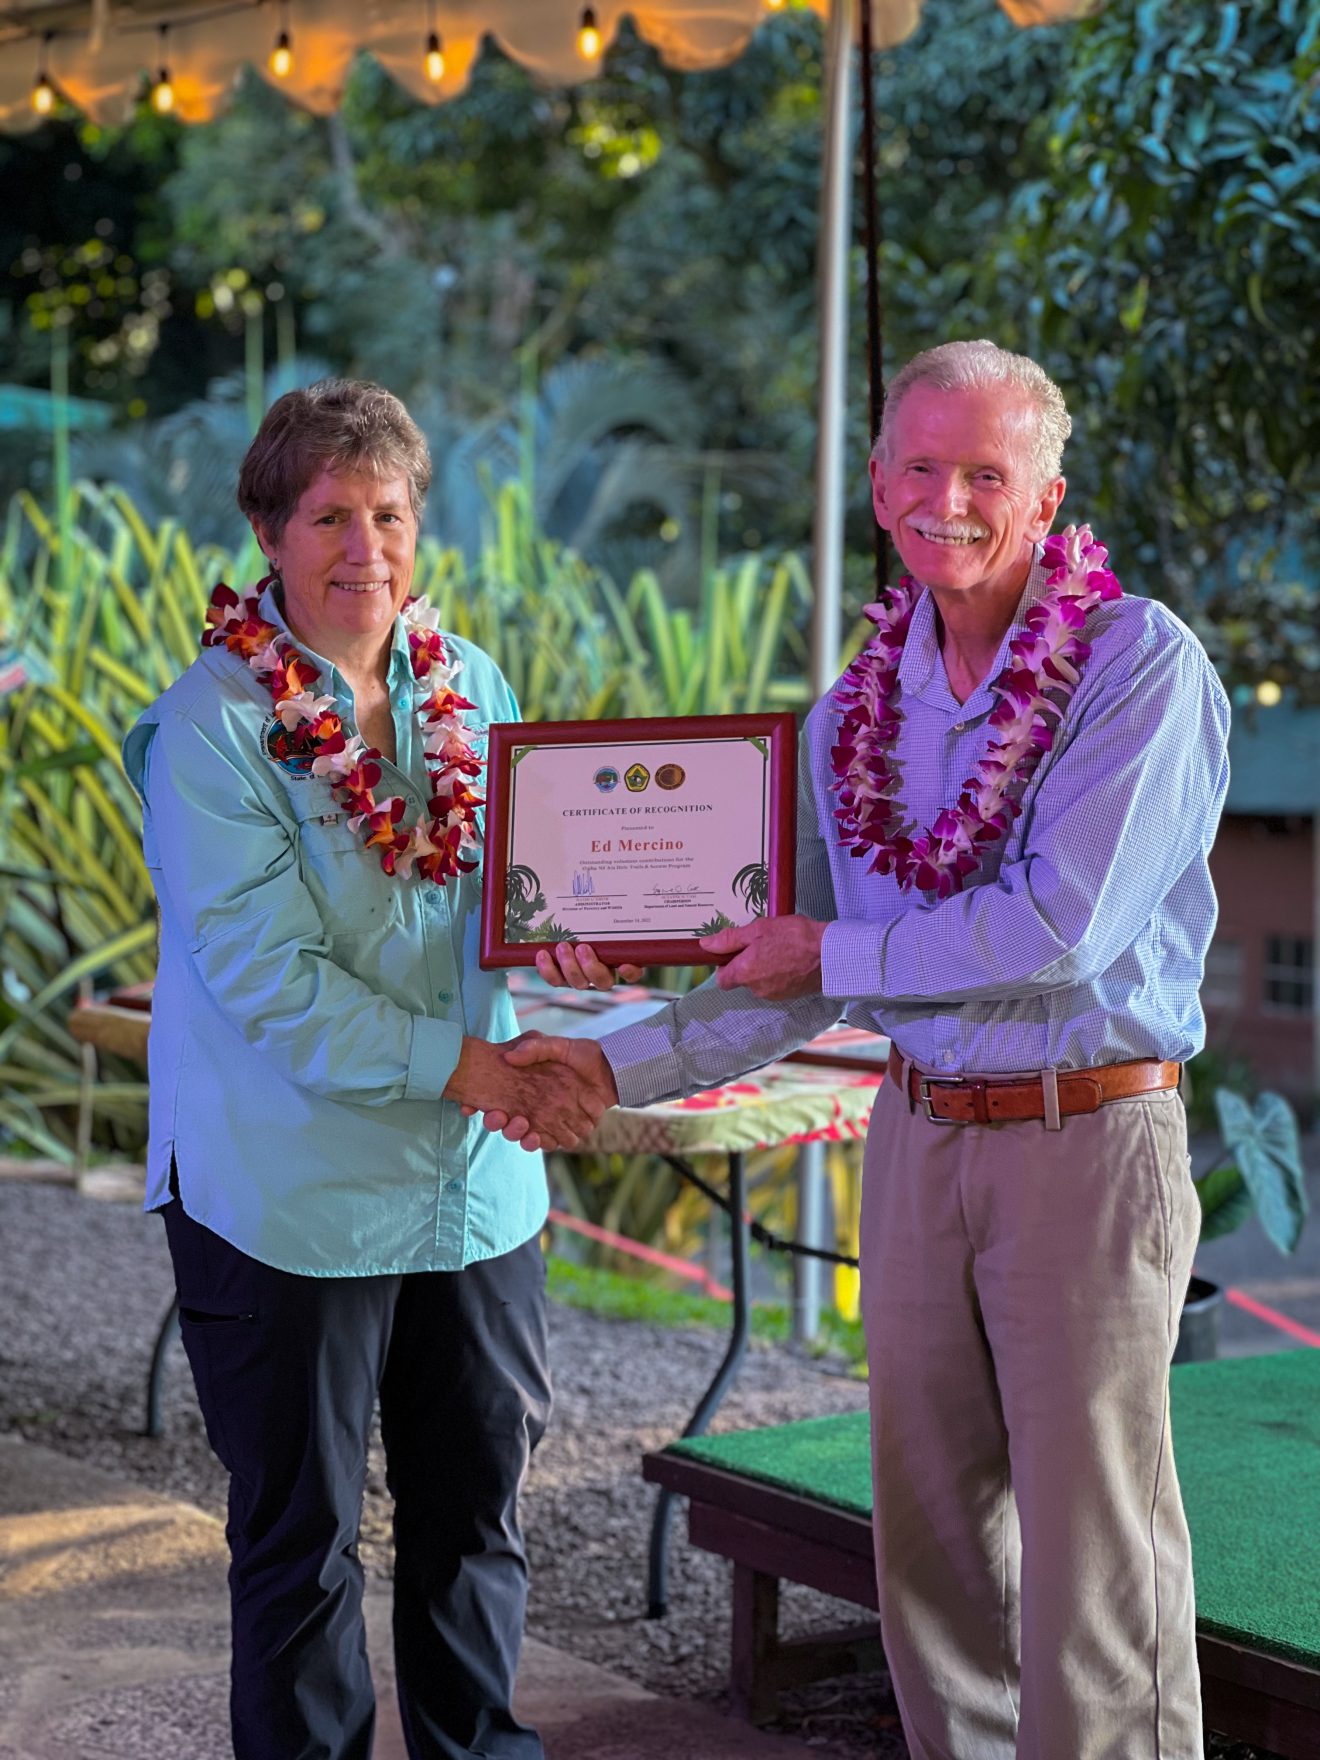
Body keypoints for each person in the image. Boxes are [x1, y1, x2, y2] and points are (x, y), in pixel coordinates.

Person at [490, 341, 1231, 1760]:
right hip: (918, 1131)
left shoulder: (1137, 663)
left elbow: (1056, 928)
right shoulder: (855, 716)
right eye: (921, 467)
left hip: (1087, 1137)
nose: (949, 498)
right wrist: (604, 1055)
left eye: (987, 474)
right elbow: (782, 964)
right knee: (930, 1548)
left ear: (1047, 495)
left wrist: (818, 953)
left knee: (1097, 1557)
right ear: (880, 483)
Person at [123, 378, 609, 1760]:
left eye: (389, 511)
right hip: (287, 1196)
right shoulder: (211, 727)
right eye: (331, 514)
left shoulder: (473, 686)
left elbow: (510, 897)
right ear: (270, 531)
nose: (365, 546)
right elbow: (272, 982)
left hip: (472, 1194)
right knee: (304, 1547)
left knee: (476, 1525)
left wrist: (563, 941)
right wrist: (480, 1069)